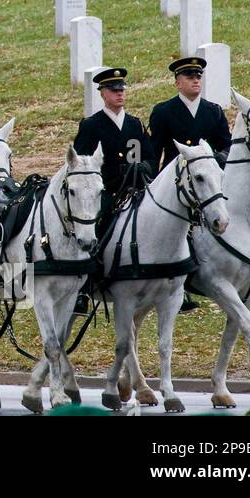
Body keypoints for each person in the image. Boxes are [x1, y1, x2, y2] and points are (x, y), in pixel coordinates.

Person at [149, 56, 250, 304]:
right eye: (189, 77)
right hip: (180, 184)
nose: (196, 80)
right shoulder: (163, 112)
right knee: (178, 226)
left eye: (198, 76)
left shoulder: (213, 111)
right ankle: (179, 277)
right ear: (177, 82)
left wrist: (220, 155)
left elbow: (227, 146)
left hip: (213, 180)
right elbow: (155, 152)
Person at [71, 68, 158, 314]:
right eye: (114, 90)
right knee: (95, 228)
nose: (120, 94)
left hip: (137, 189)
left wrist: (144, 167)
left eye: (122, 89)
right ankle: (86, 287)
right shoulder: (91, 125)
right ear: (103, 94)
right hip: (107, 191)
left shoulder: (134, 124)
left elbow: (152, 157)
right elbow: (81, 163)